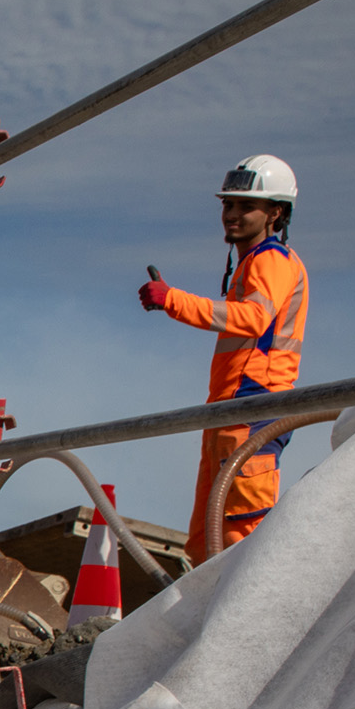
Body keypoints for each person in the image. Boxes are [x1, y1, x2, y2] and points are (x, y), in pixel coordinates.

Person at [139, 155, 309, 562]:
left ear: (276, 213)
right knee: (206, 541)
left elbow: (254, 318)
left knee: (239, 537)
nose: (231, 215)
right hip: (229, 412)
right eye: (227, 205)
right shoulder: (252, 263)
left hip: (252, 410)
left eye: (244, 206)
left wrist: (173, 300)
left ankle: (246, 622)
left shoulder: (272, 260)